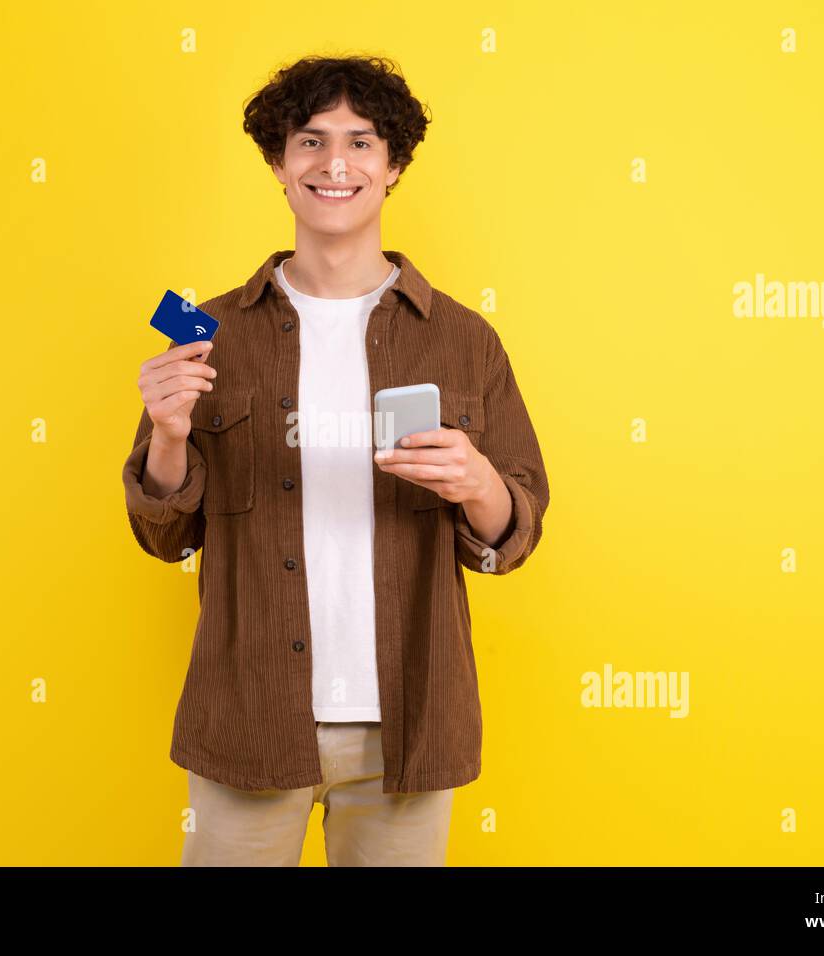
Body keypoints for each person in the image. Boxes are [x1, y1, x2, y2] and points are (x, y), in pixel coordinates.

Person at [123, 55, 549, 866]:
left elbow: (514, 534)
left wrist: (481, 484)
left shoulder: (463, 339)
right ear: (279, 164)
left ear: (393, 169)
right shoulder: (211, 332)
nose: (335, 164)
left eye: (361, 143)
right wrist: (169, 438)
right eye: (310, 142)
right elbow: (164, 537)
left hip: (409, 723)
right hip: (249, 717)